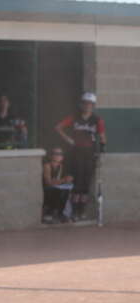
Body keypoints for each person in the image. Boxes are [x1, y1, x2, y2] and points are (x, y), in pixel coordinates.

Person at [54, 91, 106, 221]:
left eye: (90, 104)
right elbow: (58, 127)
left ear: (93, 105)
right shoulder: (74, 117)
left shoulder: (97, 120)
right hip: (76, 153)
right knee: (76, 182)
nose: (87, 106)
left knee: (85, 183)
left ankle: (82, 211)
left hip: (90, 153)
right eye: (85, 103)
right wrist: (69, 139)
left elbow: (102, 136)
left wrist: (102, 151)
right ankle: (74, 211)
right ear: (81, 104)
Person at [41, 146, 73, 223]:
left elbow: (64, 180)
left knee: (66, 191)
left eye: (61, 154)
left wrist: (67, 180)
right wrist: (63, 180)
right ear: (51, 155)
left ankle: (60, 214)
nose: (59, 156)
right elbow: (48, 182)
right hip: (47, 191)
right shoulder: (47, 166)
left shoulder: (61, 167)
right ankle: (49, 214)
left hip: (56, 188)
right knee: (57, 191)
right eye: (56, 154)